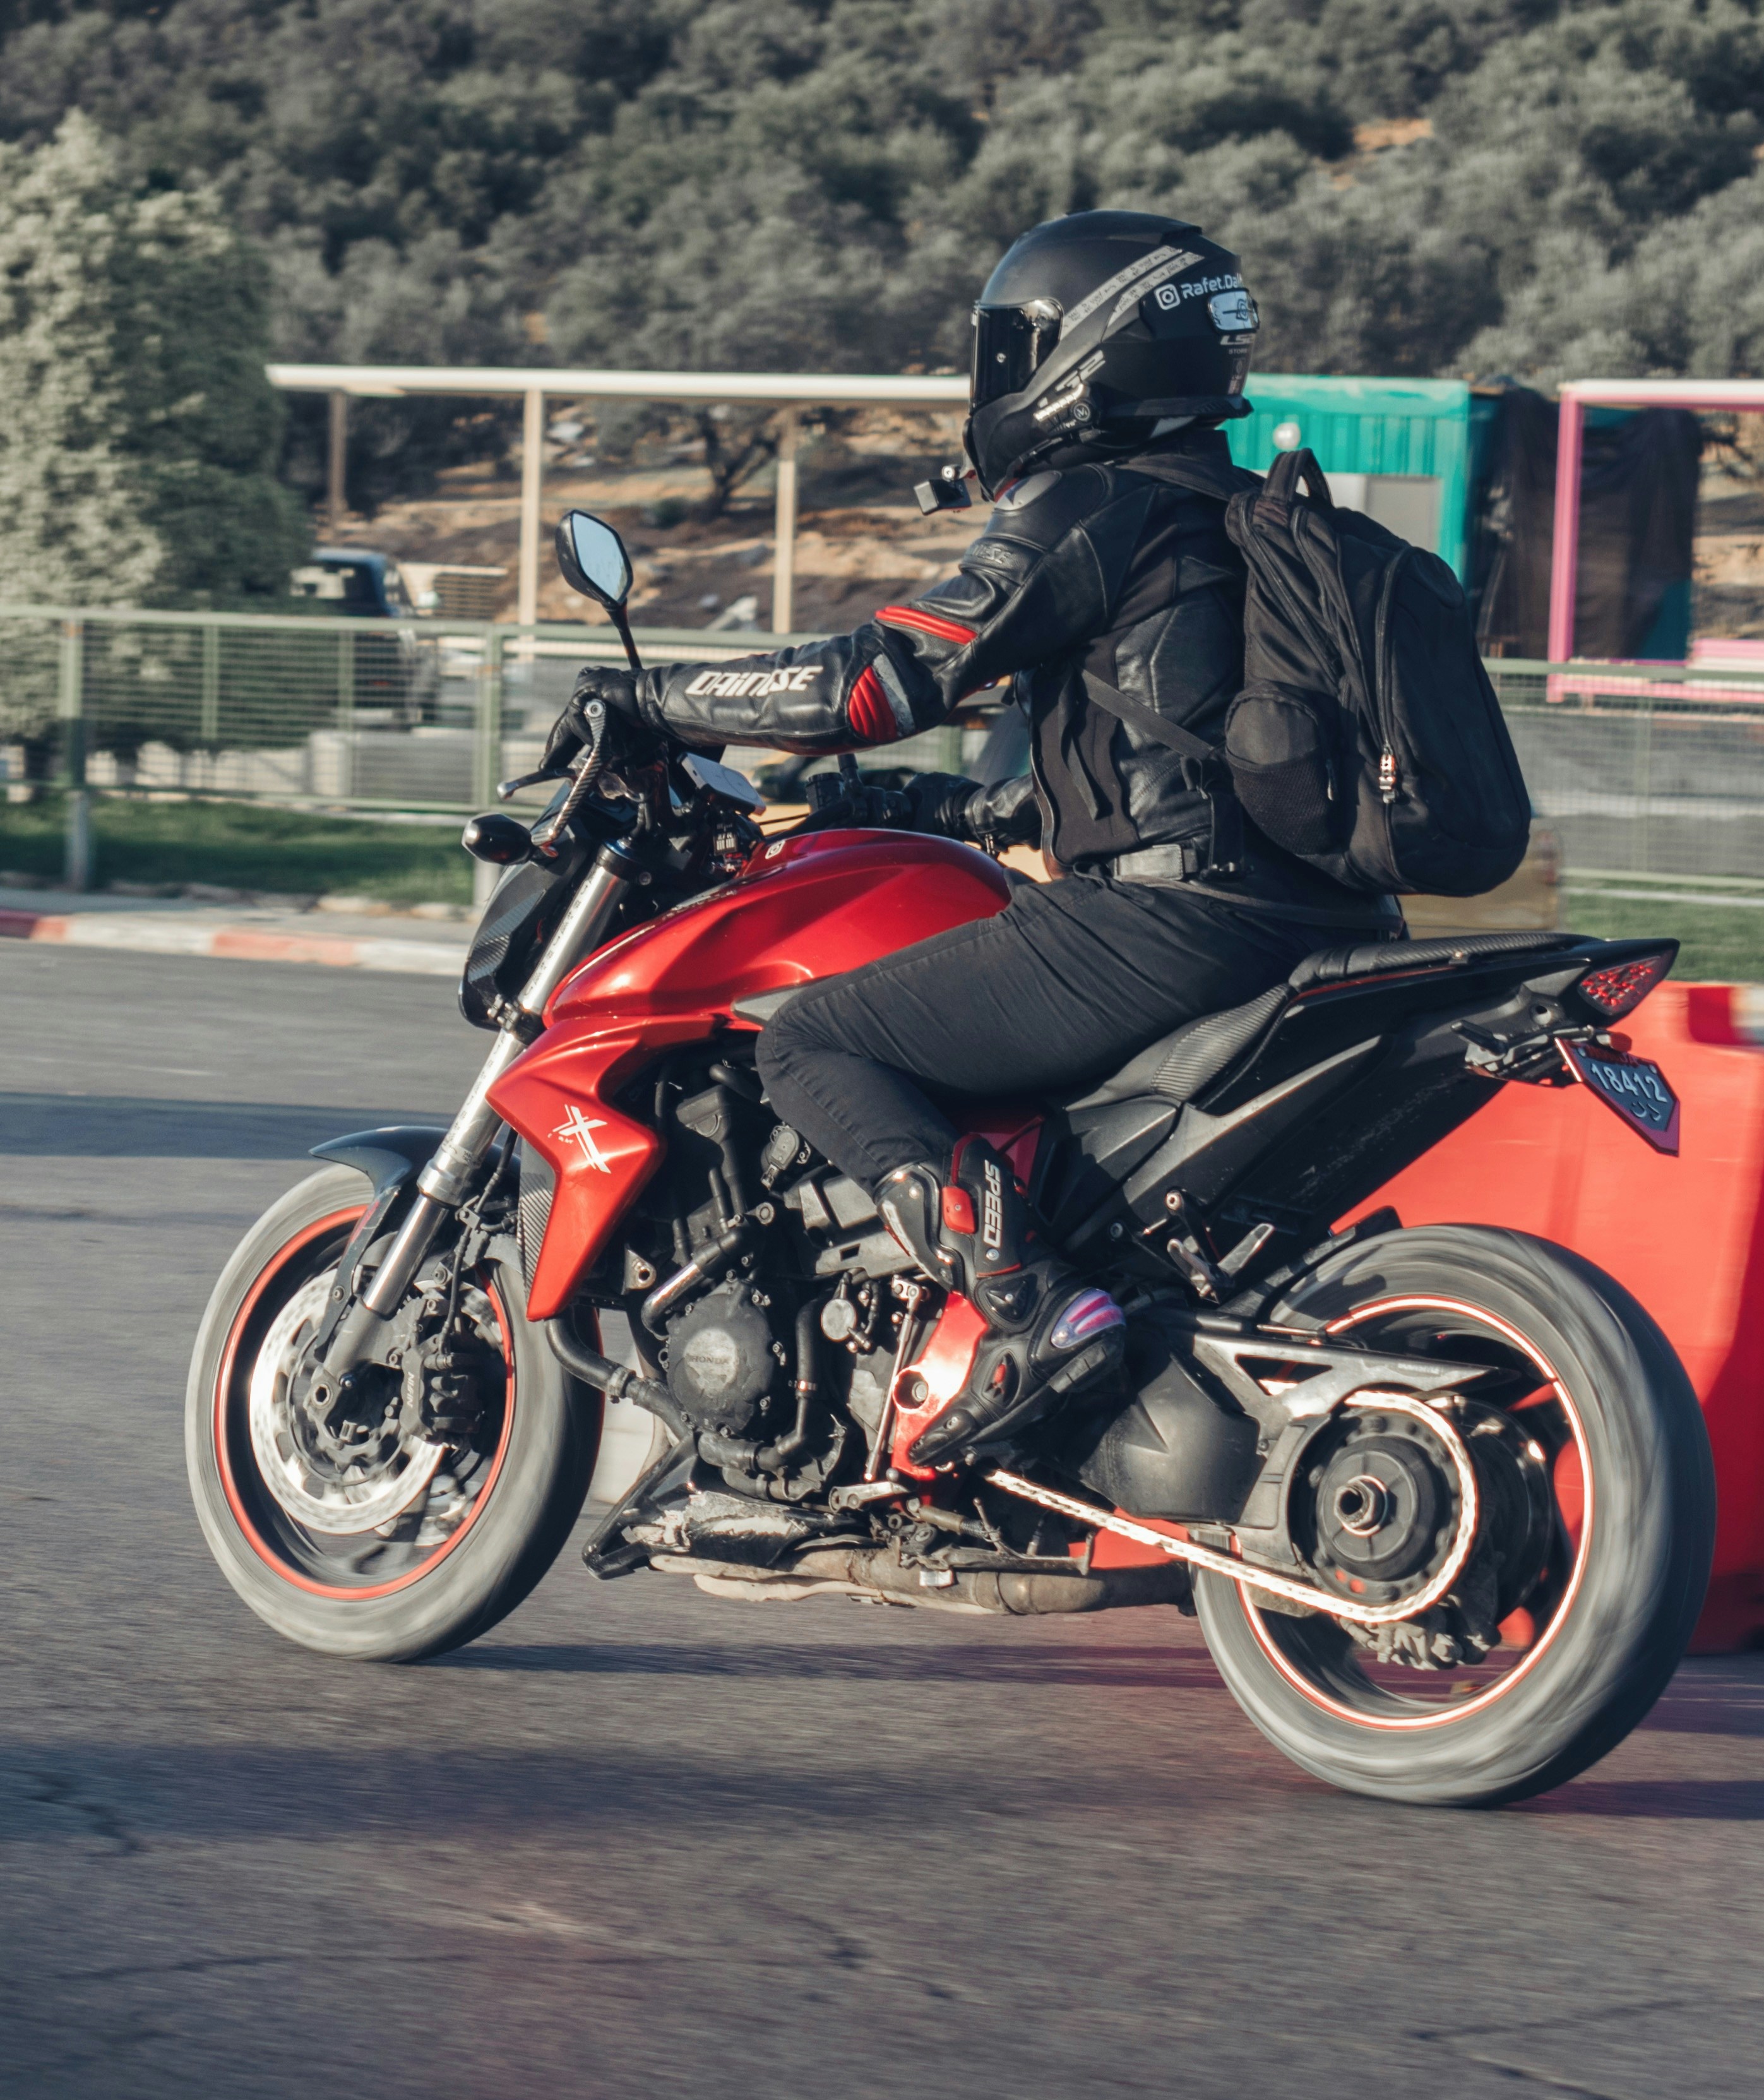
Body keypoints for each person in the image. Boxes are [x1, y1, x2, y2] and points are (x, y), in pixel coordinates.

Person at [561, 208, 1402, 1468]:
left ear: (1079, 356)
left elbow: (873, 681)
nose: (995, 375)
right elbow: (1164, 759)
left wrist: (652, 699)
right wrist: (926, 808)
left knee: (809, 1043)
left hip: (1168, 927)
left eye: (1012, 346)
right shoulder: (1252, 521)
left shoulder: (1096, 506)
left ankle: (1027, 1302)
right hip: (1329, 922)